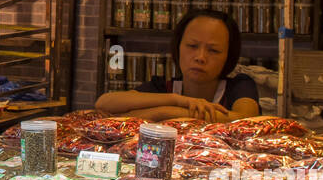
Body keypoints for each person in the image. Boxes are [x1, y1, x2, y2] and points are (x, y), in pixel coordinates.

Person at [96, 8, 261, 123]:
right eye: (192, 46)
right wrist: (178, 100)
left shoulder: (239, 86)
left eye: (214, 50)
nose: (200, 57)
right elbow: (105, 104)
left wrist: (167, 112)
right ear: (178, 47)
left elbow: (246, 120)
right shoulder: (164, 88)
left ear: (229, 56)